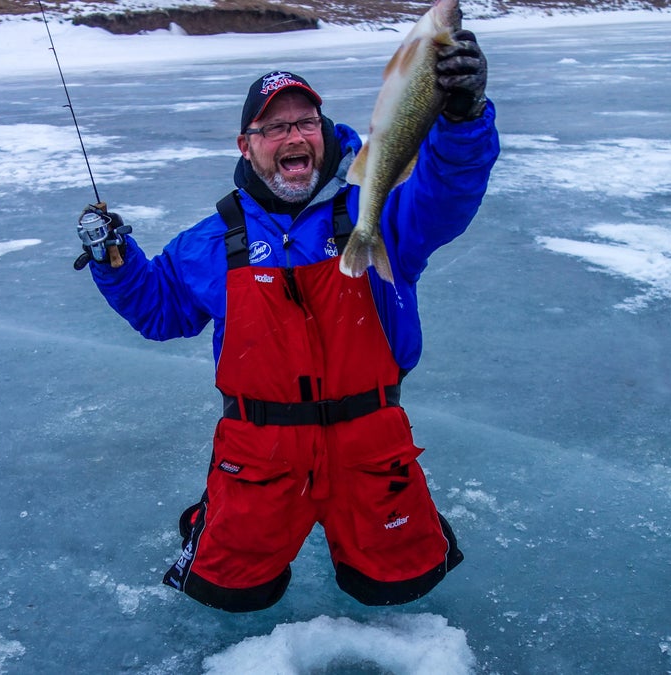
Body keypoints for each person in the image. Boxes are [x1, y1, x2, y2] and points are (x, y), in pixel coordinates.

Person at [77, 31, 499, 612]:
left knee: (402, 590)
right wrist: (115, 262)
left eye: (305, 122)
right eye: (274, 127)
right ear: (246, 145)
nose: (293, 136)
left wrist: (464, 115)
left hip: (370, 443)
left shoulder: (377, 209)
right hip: (258, 454)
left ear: (323, 133)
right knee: (228, 597)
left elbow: (449, 190)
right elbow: (161, 308)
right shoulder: (213, 240)